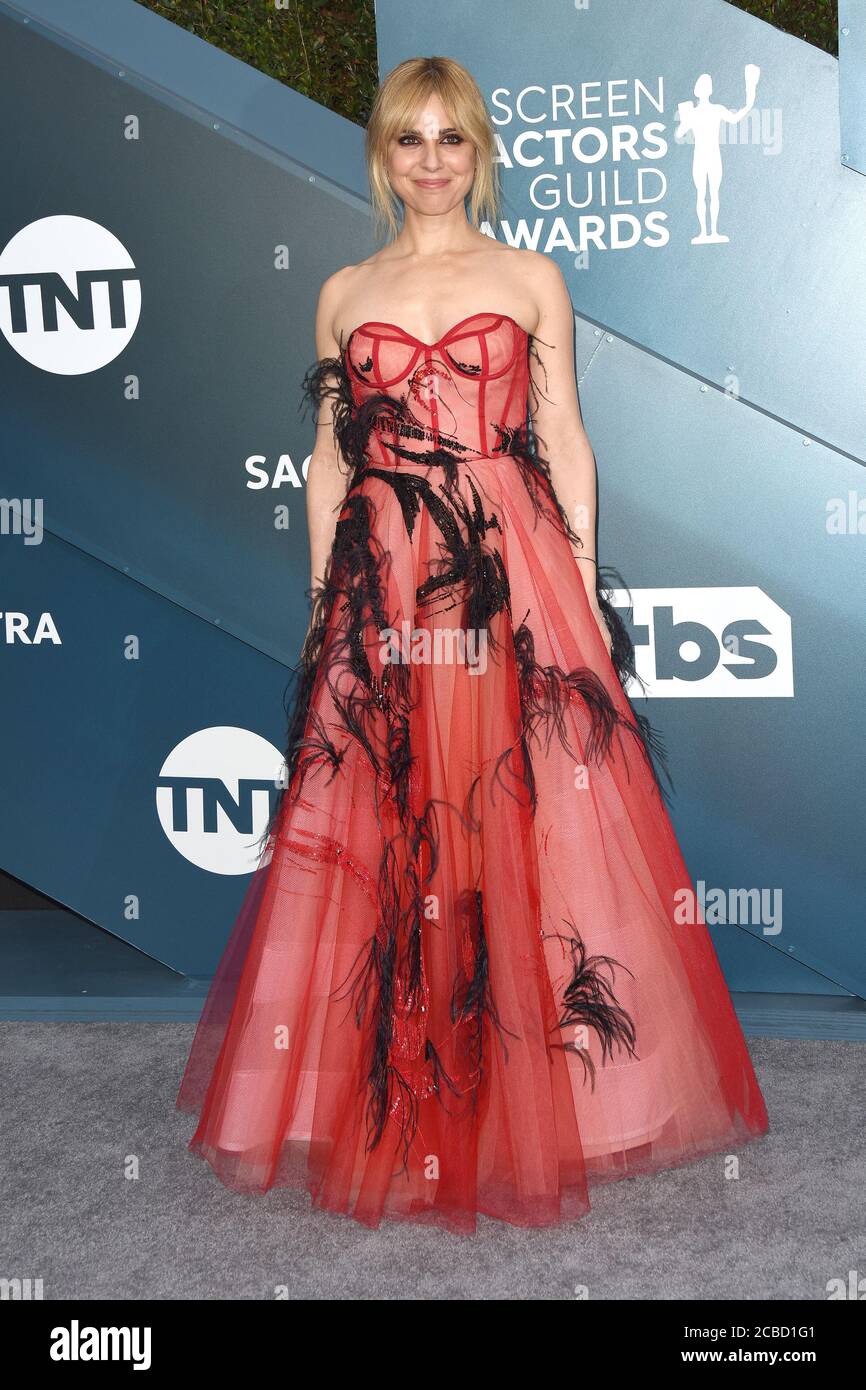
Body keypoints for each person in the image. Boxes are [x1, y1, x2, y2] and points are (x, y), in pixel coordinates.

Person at [176, 55, 769, 1234]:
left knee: (525, 814)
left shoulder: (529, 274)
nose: (431, 161)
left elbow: (562, 431)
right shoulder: (344, 290)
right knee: (395, 824)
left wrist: (585, 590)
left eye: (450, 139)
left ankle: (544, 1099)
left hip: (509, 570)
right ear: (382, 156)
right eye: (409, 140)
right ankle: (404, 1093)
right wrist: (319, 602)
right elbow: (332, 459)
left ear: (479, 151)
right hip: (386, 577)